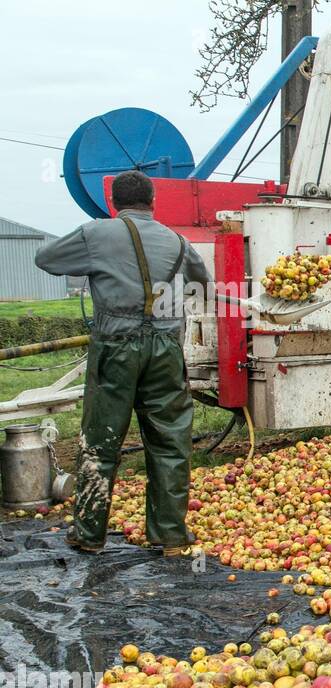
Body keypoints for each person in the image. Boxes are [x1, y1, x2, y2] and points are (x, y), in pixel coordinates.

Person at [35, 170, 209, 556]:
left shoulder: (97, 233)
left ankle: (89, 535)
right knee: (170, 440)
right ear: (154, 202)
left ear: (114, 202)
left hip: (116, 346)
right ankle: (170, 535)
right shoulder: (177, 241)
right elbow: (205, 285)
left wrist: (100, 264)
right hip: (165, 348)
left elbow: (45, 259)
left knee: (101, 438)